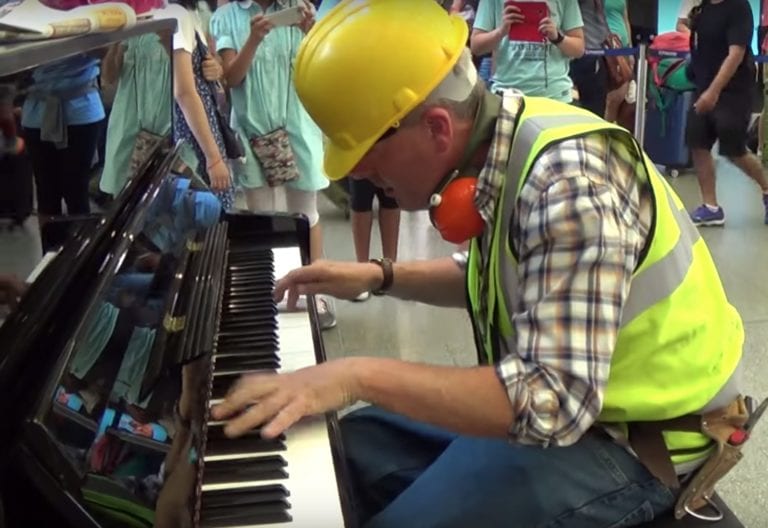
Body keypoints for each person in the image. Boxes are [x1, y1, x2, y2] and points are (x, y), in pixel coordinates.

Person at [211, 1, 746, 526]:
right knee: (348, 445)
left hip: (637, 440)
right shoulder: (502, 139)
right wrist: (381, 275)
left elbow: (550, 400)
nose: (358, 172)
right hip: (580, 412)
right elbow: (495, 275)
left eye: (365, 151)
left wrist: (354, 374)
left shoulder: (567, 184)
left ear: (438, 128)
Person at [210, 0, 336, 329]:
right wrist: (253, 39)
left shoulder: (300, 10)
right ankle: (265, 290)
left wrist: (310, 32)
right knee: (262, 215)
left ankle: (313, 288)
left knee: (306, 213)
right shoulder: (226, 18)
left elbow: (326, 67)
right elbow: (232, 78)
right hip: (251, 128)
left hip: (298, 124)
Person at [686, 0, 768, 226]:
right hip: (703, 86)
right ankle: (711, 207)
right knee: (697, 141)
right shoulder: (702, 8)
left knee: (734, 150)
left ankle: (767, 189)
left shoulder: (738, 7)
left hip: (733, 91)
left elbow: (736, 54)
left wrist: (713, 92)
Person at [470, 0, 584, 102]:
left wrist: (557, 37)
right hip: (507, 95)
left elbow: (579, 49)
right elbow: (476, 46)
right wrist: (501, 31)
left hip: (555, 95)